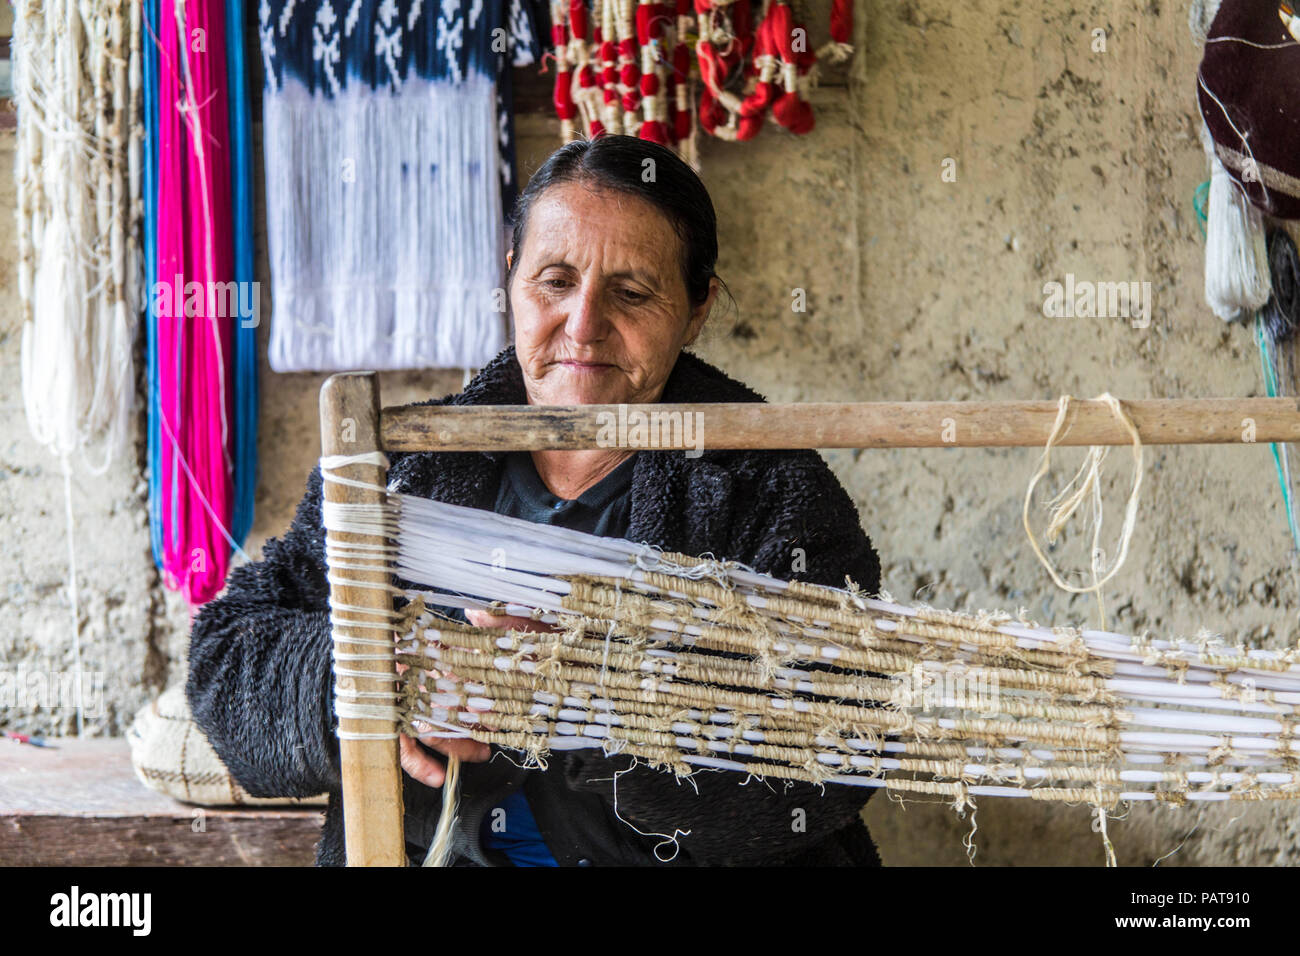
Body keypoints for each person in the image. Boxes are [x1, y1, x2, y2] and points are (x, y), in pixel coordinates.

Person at [187, 133, 884, 866]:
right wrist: (358, 679)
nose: (583, 326)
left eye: (633, 293)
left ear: (697, 307)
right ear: (513, 277)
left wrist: (588, 700)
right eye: (555, 281)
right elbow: (227, 653)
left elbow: (845, 742)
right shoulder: (403, 471)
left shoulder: (772, 492)